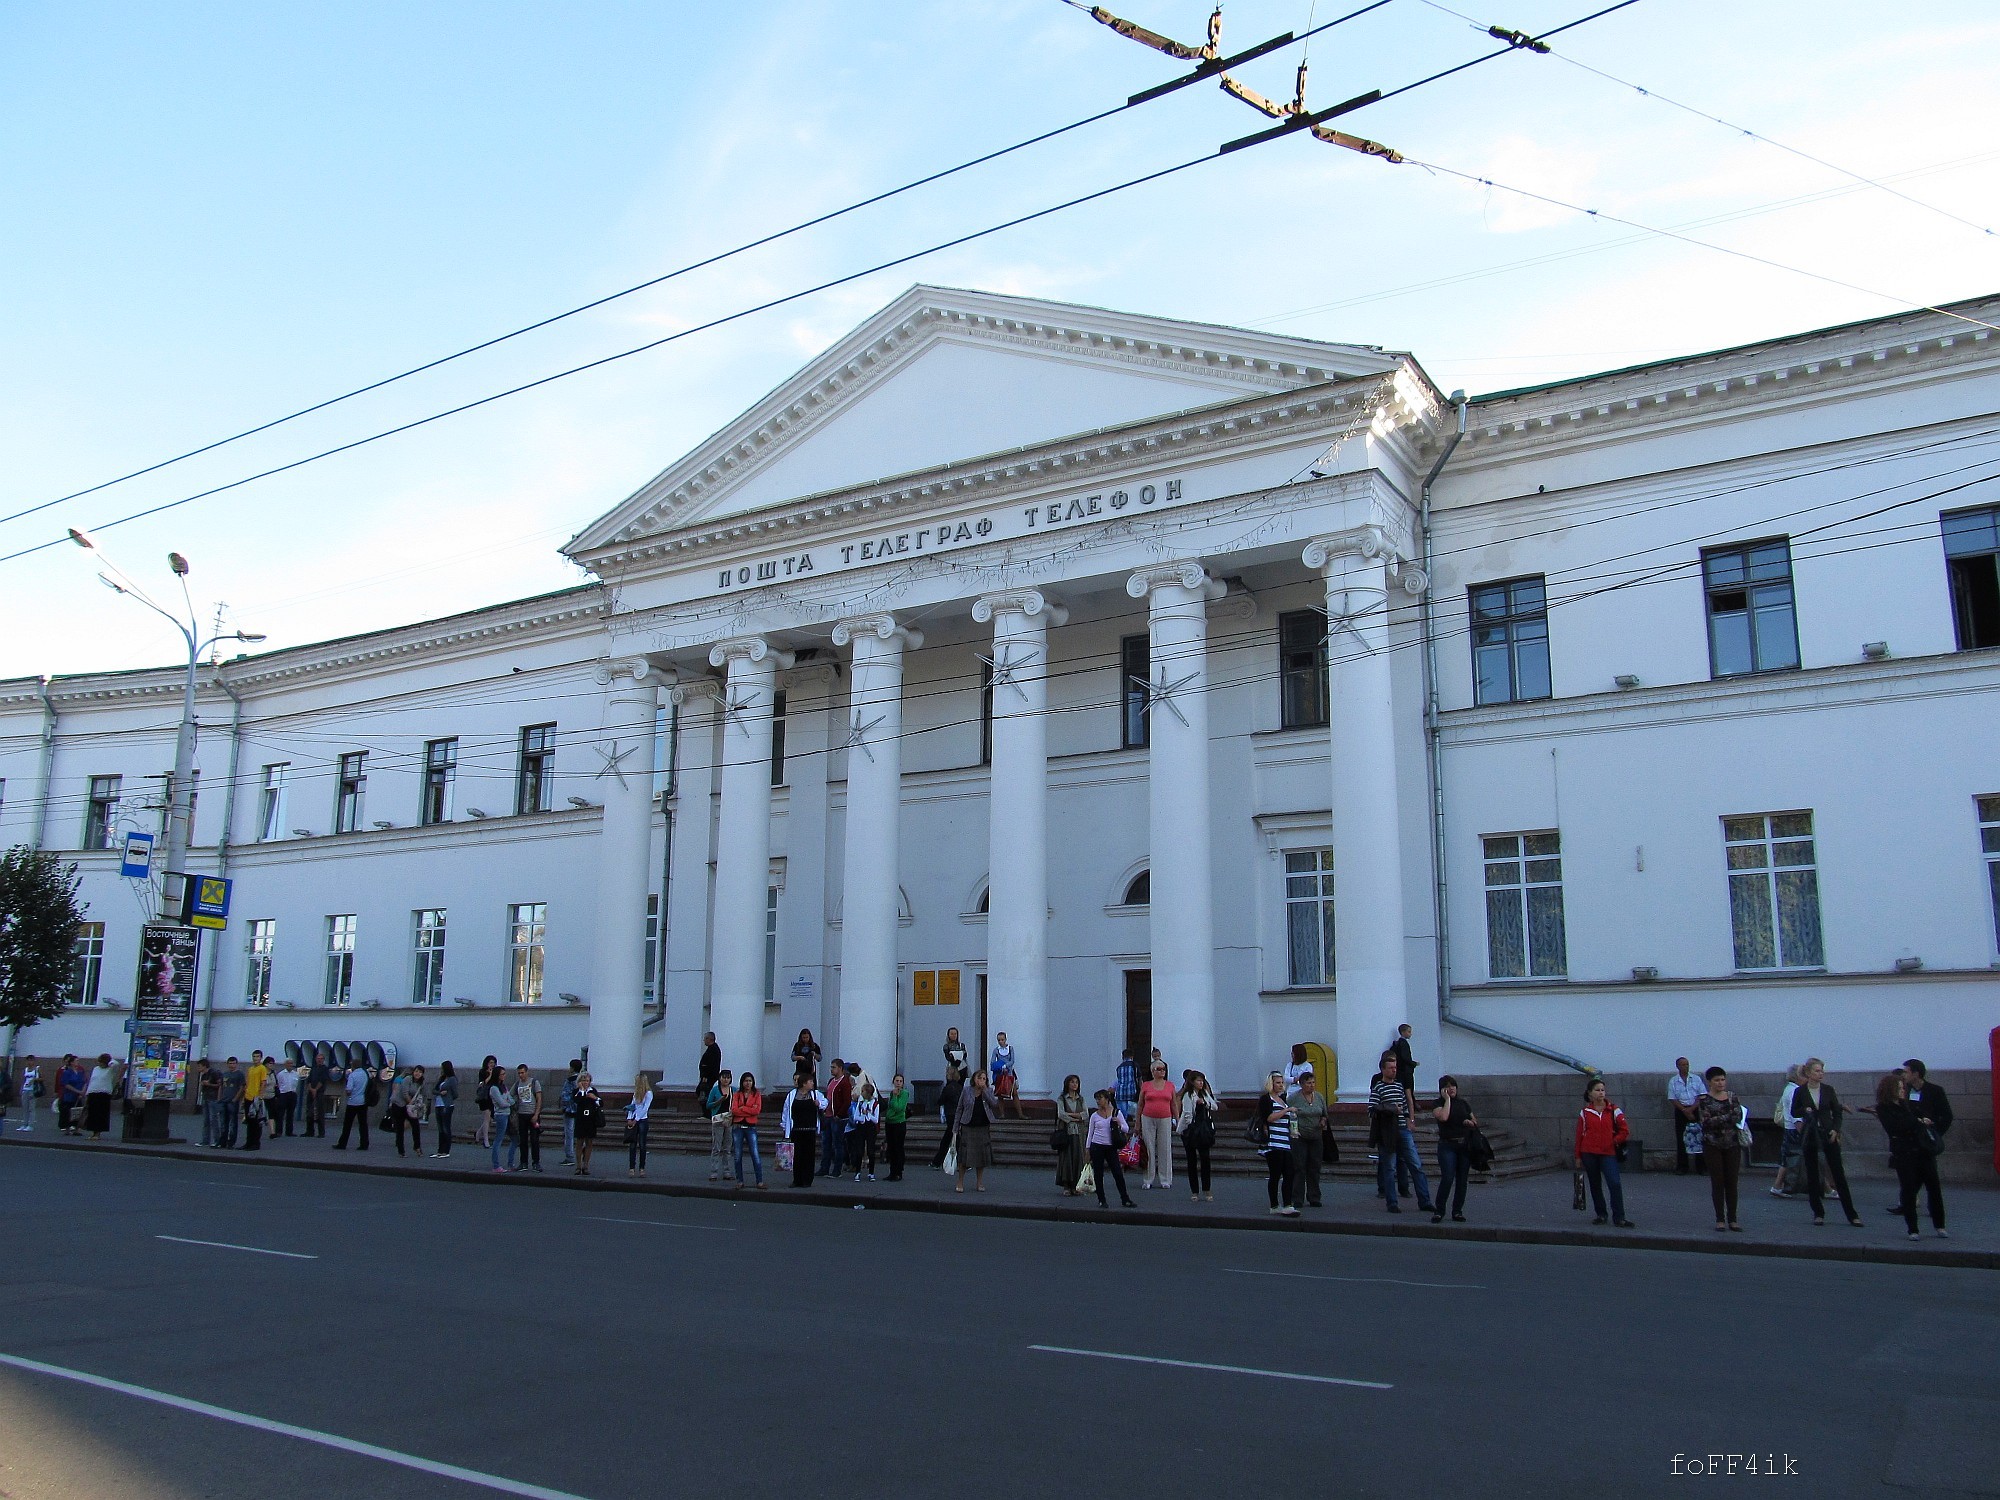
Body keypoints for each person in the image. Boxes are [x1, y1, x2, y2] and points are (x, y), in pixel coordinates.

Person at [1788, 1057, 1861, 1227]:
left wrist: (1836, 1129)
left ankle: (1852, 1214)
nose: (1820, 1074)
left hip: (1828, 1133)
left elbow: (1837, 1111)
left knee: (1838, 1173)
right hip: (1811, 1133)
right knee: (1813, 1173)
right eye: (1817, 1071)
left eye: (1822, 1071)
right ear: (1808, 1073)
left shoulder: (1828, 1090)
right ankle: (1818, 1212)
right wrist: (1805, 1110)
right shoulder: (1801, 1091)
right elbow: (1794, 1111)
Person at [1875, 1072, 1946, 1240]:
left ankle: (1940, 1225)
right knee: (1909, 1190)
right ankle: (1913, 1229)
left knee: (1933, 1187)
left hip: (1922, 1150)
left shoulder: (1908, 1104)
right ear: (1890, 1089)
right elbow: (1895, 1127)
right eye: (1899, 1088)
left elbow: (1919, 1117)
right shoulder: (1883, 1108)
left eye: (1903, 1088)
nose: (1902, 1091)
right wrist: (1917, 1122)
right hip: (1904, 1153)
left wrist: (1922, 1121)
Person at [1887, 1059, 1952, 1222]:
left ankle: (1933, 1210)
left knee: (1929, 1177)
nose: (1904, 1075)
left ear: (1916, 1073)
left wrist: (1935, 1132)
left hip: (1926, 1139)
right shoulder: (1905, 1091)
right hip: (1909, 1140)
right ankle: (1906, 1205)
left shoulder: (1934, 1091)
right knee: (1910, 1176)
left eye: (1907, 1072)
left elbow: (1946, 1115)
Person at [1370, 1053, 1434, 1216]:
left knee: (1416, 1165)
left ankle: (1425, 1200)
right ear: (1383, 1069)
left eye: (1395, 1068)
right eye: (1390, 1068)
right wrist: (1392, 1109)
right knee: (1389, 1168)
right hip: (1387, 1132)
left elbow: (1404, 1106)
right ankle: (1392, 1202)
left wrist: (1408, 1119)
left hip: (1402, 1130)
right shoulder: (1378, 1087)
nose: (1394, 1070)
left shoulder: (1398, 1086)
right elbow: (1372, 1108)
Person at [1574, 1078, 1633, 1228]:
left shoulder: (1613, 1110)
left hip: (1608, 1152)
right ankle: (1601, 1214)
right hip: (1589, 1152)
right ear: (1590, 1094)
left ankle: (1619, 1217)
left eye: (1602, 1090)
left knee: (1614, 1183)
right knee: (1595, 1184)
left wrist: (1614, 1141)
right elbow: (1580, 1134)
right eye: (1597, 1090)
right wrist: (1578, 1156)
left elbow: (1624, 1130)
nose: (1601, 1093)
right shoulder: (1585, 1112)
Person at [1694, 1066, 1745, 1232]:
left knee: (1732, 1182)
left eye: (1723, 1079)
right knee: (1718, 1181)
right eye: (1717, 1080)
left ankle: (1733, 1218)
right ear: (1709, 1082)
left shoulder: (1732, 1097)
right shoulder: (1704, 1100)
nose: (1720, 1083)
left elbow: (1737, 1116)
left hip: (1732, 1143)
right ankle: (1720, 1219)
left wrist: (1720, 1118)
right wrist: (1726, 1117)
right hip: (1712, 1144)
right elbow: (1706, 1122)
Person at [1430, 1076, 1476, 1223]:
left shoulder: (1463, 1103)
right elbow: (1443, 1117)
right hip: (1447, 1145)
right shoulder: (1438, 1104)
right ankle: (1439, 1210)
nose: (1451, 1089)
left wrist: (1470, 1122)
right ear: (1442, 1090)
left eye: (1453, 1086)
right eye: (1448, 1087)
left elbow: (1474, 1120)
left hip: (1463, 1145)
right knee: (1448, 1177)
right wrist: (1447, 1100)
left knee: (1462, 1180)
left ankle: (1457, 1211)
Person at [1255, 1072, 1298, 1216]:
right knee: (1275, 1174)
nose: (1281, 1085)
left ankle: (1287, 1204)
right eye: (1278, 1082)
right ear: (1271, 1084)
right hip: (1273, 1142)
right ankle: (1274, 1205)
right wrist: (1286, 1110)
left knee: (1289, 1173)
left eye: (1281, 1082)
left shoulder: (1282, 1099)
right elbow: (1269, 1118)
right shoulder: (1266, 1099)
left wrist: (1293, 1130)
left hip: (1285, 1141)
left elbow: (1284, 1120)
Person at [1287, 1066, 1330, 1209]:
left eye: (1313, 1082)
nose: (1311, 1085)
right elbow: (1289, 1115)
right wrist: (1294, 1131)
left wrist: (1323, 1121)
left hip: (1316, 1136)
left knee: (1315, 1166)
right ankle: (1297, 1198)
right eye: (1308, 1083)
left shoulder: (1319, 1097)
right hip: (1299, 1136)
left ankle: (1314, 1197)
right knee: (1300, 1166)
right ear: (1301, 1084)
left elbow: (1324, 1113)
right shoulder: (1294, 1098)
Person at [1086, 1088, 1136, 1208]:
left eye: (1100, 1098)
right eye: (1097, 1099)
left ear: (1107, 1099)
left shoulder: (1116, 1113)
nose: (1098, 1101)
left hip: (1110, 1147)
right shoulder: (1094, 1116)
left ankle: (1125, 1198)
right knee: (1098, 1174)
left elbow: (1126, 1129)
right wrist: (1087, 1149)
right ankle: (1101, 1199)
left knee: (1117, 1173)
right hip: (1097, 1146)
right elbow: (1090, 1133)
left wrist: (1119, 1123)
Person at [954, 1068, 999, 1193]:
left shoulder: (988, 1091)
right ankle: (960, 1181)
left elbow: (994, 1104)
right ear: (974, 1079)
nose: (981, 1081)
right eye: (979, 1078)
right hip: (968, 1126)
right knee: (965, 1156)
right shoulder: (966, 1091)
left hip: (983, 1127)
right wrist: (955, 1128)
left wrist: (984, 1090)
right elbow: (959, 1109)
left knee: (981, 1157)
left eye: (984, 1079)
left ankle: (979, 1182)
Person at [1177, 1070, 1219, 1203]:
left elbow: (1215, 1106)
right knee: (1192, 1161)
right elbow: (1188, 1115)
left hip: (1204, 1130)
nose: (1201, 1083)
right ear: (1192, 1082)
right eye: (1198, 1080)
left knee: (1205, 1159)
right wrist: (1191, 1129)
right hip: (1190, 1131)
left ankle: (1207, 1189)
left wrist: (1204, 1103)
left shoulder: (1205, 1094)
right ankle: (1194, 1190)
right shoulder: (1188, 1096)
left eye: (1202, 1080)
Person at [1136, 1059, 1176, 1190]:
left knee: (1165, 1148)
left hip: (1165, 1118)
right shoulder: (1146, 1085)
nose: (1162, 1071)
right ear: (1153, 1071)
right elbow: (1140, 1104)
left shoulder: (1170, 1085)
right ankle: (1148, 1178)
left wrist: (1178, 1119)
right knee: (1148, 1148)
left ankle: (1165, 1179)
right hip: (1147, 1118)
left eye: (1163, 1069)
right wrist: (1137, 1123)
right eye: (1159, 1069)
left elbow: (1173, 1104)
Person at [782, 1073, 826, 1188]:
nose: (812, 1083)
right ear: (804, 1083)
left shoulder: (815, 1094)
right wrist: (784, 1126)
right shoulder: (792, 1095)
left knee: (809, 1155)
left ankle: (807, 1180)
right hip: (797, 1129)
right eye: (810, 1081)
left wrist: (819, 1104)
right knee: (797, 1155)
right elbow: (786, 1111)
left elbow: (825, 1103)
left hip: (810, 1129)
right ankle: (797, 1179)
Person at [1769, 1063, 1803, 1198]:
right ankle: (1825, 1187)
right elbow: (1796, 1114)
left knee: (1787, 1157)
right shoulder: (1795, 1091)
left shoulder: (1789, 1088)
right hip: (1794, 1128)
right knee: (1794, 1157)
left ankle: (1777, 1185)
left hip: (1790, 1128)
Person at [1668, 1056, 1705, 1176]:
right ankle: (1682, 1166)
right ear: (1677, 1066)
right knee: (1681, 1138)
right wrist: (1684, 1110)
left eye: (1687, 1065)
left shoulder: (1696, 1079)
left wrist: (1692, 1109)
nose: (1685, 1067)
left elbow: (1702, 1095)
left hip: (1694, 1109)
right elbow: (1672, 1098)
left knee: (1699, 1137)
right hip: (1681, 1110)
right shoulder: (1673, 1081)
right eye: (1683, 1065)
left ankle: (1701, 1167)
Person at [1055, 1074, 1089, 1195]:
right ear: (1067, 1084)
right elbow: (1061, 1114)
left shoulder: (1081, 1099)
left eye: (1076, 1082)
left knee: (1078, 1157)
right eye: (1072, 1082)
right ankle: (1066, 1185)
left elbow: (1085, 1114)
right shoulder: (1062, 1099)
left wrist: (1072, 1115)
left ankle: (1076, 1185)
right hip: (1067, 1132)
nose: (1074, 1084)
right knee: (1067, 1157)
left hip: (1079, 1132)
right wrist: (1075, 1117)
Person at [729, 1071, 763, 1188]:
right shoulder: (737, 1094)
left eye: (750, 1081)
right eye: (745, 1081)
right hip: (738, 1127)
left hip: (750, 1127)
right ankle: (740, 1180)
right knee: (737, 1155)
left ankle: (759, 1180)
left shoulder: (756, 1094)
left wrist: (742, 1108)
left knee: (755, 1154)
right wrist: (748, 1109)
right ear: (742, 1082)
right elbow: (734, 1110)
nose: (748, 1083)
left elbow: (757, 1111)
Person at [820, 1058, 851, 1180]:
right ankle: (824, 1168)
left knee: (838, 1144)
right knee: (826, 1143)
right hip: (827, 1116)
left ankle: (837, 1169)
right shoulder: (831, 1081)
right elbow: (828, 1097)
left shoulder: (844, 1083)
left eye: (834, 1067)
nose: (831, 1069)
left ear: (840, 1068)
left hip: (838, 1118)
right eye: (831, 1067)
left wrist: (839, 1114)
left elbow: (846, 1101)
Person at [511, 1064, 543, 1173]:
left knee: (534, 1140)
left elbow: (539, 1099)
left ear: (527, 1072)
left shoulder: (534, 1083)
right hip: (521, 1114)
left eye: (522, 1073)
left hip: (532, 1114)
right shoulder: (517, 1084)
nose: (521, 1075)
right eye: (519, 1073)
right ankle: (523, 1162)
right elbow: (510, 1095)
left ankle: (536, 1162)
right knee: (523, 1140)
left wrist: (536, 1114)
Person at [931, 1067, 964, 1169]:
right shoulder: (959, 1087)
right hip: (958, 1113)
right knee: (952, 1137)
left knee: (950, 1138)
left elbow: (941, 1100)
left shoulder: (948, 1088)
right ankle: (938, 1161)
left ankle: (939, 1161)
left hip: (950, 1114)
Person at [335, 1059, 371, 1150]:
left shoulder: (353, 1075)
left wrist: (348, 1093)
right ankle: (364, 1144)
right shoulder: (366, 1073)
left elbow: (349, 1090)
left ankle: (342, 1143)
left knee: (347, 1124)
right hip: (363, 1101)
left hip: (353, 1102)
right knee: (363, 1124)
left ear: (353, 1065)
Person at [571, 1072, 603, 1175]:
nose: (585, 1082)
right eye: (583, 1080)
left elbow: (600, 1103)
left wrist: (595, 1098)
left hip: (591, 1119)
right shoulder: (577, 1091)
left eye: (587, 1080)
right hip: (580, 1119)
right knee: (579, 1142)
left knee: (589, 1142)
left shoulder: (593, 1091)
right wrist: (582, 1091)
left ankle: (586, 1165)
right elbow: (577, 1101)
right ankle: (578, 1165)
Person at [705, 1068, 734, 1180]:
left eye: (728, 1077)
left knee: (727, 1147)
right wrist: (719, 1101)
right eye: (723, 1077)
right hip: (718, 1120)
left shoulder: (733, 1090)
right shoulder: (715, 1090)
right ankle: (714, 1172)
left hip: (729, 1120)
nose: (725, 1080)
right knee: (716, 1147)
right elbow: (708, 1105)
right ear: (720, 1078)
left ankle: (727, 1171)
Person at [882, 1073, 911, 1181]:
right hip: (890, 1122)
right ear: (893, 1082)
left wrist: (895, 1096)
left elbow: (898, 1107)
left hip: (899, 1123)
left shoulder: (904, 1093)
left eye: (900, 1081)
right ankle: (892, 1171)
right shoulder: (891, 1093)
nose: (898, 1083)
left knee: (898, 1147)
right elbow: (890, 1107)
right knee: (891, 1148)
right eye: (896, 1081)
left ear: (903, 1083)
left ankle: (898, 1172)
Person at [850, 1082, 880, 1181]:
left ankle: (871, 1173)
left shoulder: (875, 1104)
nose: (861, 1093)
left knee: (871, 1151)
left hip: (871, 1128)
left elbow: (876, 1119)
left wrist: (868, 1114)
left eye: (863, 1091)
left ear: (868, 1092)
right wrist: (862, 1117)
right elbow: (855, 1117)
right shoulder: (861, 1102)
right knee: (859, 1150)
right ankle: (857, 1172)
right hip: (861, 1127)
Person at [83, 1053, 117, 1141]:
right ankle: (93, 1133)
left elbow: (116, 1064)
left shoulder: (110, 1069)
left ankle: (98, 1133)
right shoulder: (96, 1069)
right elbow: (92, 1081)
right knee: (92, 1114)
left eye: (102, 1062)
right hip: (93, 1093)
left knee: (101, 1114)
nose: (100, 1064)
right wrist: (87, 1093)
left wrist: (109, 1062)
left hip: (104, 1094)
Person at [488, 1066, 516, 1172]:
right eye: (502, 1074)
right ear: (497, 1075)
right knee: (498, 1139)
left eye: (504, 1074)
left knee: (514, 1139)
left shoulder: (503, 1087)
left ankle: (510, 1163)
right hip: (501, 1115)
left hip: (507, 1114)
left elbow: (511, 1099)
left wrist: (509, 1102)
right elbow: (501, 1103)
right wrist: (508, 1103)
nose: (504, 1076)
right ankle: (496, 1165)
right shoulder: (494, 1088)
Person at [627, 1073, 655, 1178]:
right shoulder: (636, 1093)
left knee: (642, 1145)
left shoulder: (648, 1093)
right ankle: (631, 1168)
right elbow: (632, 1105)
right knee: (632, 1145)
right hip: (634, 1119)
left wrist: (637, 1119)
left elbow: (645, 1108)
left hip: (642, 1120)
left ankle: (642, 1168)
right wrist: (629, 1118)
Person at [388, 1068, 420, 1157]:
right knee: (401, 1126)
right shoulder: (403, 1080)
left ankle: (415, 1146)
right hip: (399, 1104)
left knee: (413, 1125)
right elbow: (400, 1092)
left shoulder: (413, 1081)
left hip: (406, 1105)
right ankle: (401, 1150)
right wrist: (411, 1104)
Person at [989, 1032, 1021, 1118]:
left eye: (1002, 1039)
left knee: (1014, 1093)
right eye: (999, 1040)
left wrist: (1005, 1065)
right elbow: (992, 1062)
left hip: (1009, 1073)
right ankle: (1002, 1114)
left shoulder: (1010, 1049)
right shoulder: (996, 1050)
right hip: (1000, 1074)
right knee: (1000, 1094)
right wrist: (999, 1066)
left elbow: (1012, 1060)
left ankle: (1020, 1114)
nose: (1000, 1041)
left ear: (1005, 1039)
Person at [217, 1055, 245, 1148]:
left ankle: (231, 1141)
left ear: (236, 1064)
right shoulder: (224, 1074)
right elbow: (221, 1086)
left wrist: (235, 1099)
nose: (232, 1065)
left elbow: (242, 1087)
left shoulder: (239, 1074)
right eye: (230, 1063)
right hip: (224, 1100)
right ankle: (222, 1141)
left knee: (233, 1122)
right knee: (223, 1122)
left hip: (232, 1101)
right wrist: (219, 1098)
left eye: (233, 1063)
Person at [432, 1061, 458, 1158]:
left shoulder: (452, 1079)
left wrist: (449, 1097)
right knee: (440, 1128)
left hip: (446, 1105)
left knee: (446, 1127)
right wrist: (440, 1093)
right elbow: (433, 1090)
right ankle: (440, 1150)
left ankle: (446, 1150)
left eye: (442, 1068)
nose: (441, 1070)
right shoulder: (441, 1078)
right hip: (438, 1104)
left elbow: (455, 1093)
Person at [558, 1058, 582, 1166]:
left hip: (570, 1110)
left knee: (569, 1133)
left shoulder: (570, 1080)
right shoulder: (582, 1080)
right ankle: (581, 1155)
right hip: (581, 1110)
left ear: (572, 1068)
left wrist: (564, 1106)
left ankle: (569, 1156)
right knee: (580, 1134)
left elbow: (565, 1095)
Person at [304, 1048, 331, 1138]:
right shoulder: (313, 1068)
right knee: (309, 1111)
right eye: (318, 1059)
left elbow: (322, 1080)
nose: (319, 1060)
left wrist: (315, 1089)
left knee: (320, 1112)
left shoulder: (325, 1069)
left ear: (323, 1060)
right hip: (311, 1092)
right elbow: (309, 1080)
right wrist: (311, 1089)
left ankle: (321, 1132)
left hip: (320, 1093)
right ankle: (309, 1131)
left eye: (321, 1059)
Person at [57, 1055, 86, 1137]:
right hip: (69, 1095)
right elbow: (65, 1084)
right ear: (72, 1062)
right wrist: (77, 1091)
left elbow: (84, 1082)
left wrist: (82, 1092)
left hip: (78, 1095)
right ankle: (67, 1128)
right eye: (76, 1061)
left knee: (78, 1111)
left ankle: (77, 1128)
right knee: (68, 1111)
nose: (78, 1062)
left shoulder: (80, 1072)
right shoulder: (67, 1072)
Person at [197, 1057, 222, 1147]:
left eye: (199, 1066)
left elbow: (219, 1084)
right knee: (206, 1120)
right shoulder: (203, 1075)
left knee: (213, 1119)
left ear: (205, 1066)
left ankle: (217, 1140)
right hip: (206, 1097)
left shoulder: (214, 1073)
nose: (198, 1068)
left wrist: (209, 1084)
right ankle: (205, 1140)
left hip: (213, 1098)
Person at [474, 1056, 498, 1149]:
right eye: (490, 1062)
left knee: (490, 1119)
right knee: (487, 1118)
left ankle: (478, 1134)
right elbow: (482, 1083)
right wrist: (490, 1075)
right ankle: (486, 1140)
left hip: (492, 1097)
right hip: (484, 1097)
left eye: (493, 1062)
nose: (492, 1064)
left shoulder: (496, 1072)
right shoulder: (482, 1072)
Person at [1391, 1023, 1419, 1101]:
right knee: (1409, 1088)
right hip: (1406, 1071)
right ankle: (1411, 1103)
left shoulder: (1398, 1044)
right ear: (1403, 1032)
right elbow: (1405, 1057)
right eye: (1409, 1031)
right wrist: (1413, 1063)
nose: (1410, 1034)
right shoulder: (1403, 1043)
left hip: (1402, 1070)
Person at [271, 1057, 297, 1136]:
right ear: (285, 1065)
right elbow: (278, 1084)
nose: (290, 1065)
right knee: (280, 1114)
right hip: (283, 1094)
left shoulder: (295, 1074)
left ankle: (289, 1132)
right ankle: (279, 1131)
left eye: (291, 1063)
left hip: (292, 1094)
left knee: (290, 1114)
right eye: (288, 1063)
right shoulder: (281, 1074)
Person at [15, 1056, 40, 1132]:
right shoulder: (25, 1069)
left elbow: (42, 1078)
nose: (29, 1062)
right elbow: (23, 1080)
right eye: (28, 1061)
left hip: (33, 1090)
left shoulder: (37, 1069)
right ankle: (24, 1124)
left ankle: (30, 1125)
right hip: (25, 1090)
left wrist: (34, 1080)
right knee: (25, 1108)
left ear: (34, 1061)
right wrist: (21, 1089)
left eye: (31, 1060)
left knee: (31, 1108)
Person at [697, 1032, 722, 1108]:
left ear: (709, 1039)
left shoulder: (713, 1050)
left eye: (705, 1038)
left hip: (708, 1076)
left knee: (704, 1093)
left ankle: (707, 1112)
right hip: (708, 1076)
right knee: (702, 1092)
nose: (704, 1040)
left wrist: (705, 1075)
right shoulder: (712, 1049)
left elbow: (710, 1065)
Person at [1114, 1048, 1139, 1123]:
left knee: (1122, 1116)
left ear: (1123, 1057)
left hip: (1120, 1092)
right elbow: (1139, 1079)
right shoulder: (1134, 1065)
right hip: (1131, 1092)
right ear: (1132, 1056)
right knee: (1134, 1113)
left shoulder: (1119, 1067)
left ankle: (1122, 1129)